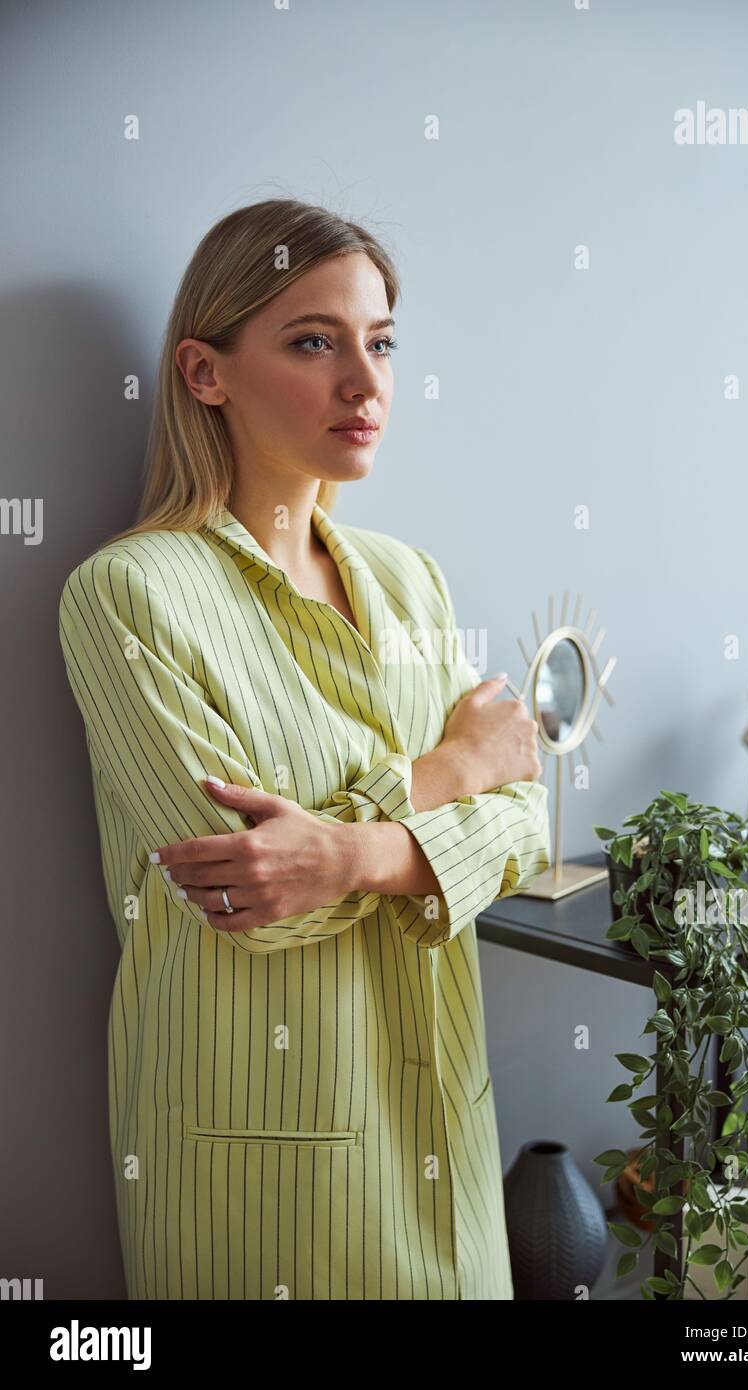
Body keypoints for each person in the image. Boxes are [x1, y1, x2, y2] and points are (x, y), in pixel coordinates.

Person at [58, 197, 551, 1300]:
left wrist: (352, 851)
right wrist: (448, 777)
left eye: (379, 344)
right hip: (257, 1171)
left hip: (444, 1132)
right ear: (205, 372)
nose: (365, 384)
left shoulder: (408, 578)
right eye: (313, 342)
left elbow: (526, 820)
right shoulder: (128, 595)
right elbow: (248, 894)